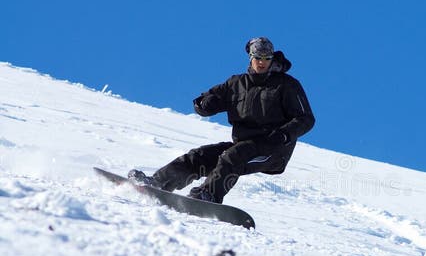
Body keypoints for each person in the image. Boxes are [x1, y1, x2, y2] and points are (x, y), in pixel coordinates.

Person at [129, 37, 315, 204]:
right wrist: (204, 104)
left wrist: (283, 135)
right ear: (250, 57)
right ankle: (158, 183)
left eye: (267, 59)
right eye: (258, 58)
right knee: (201, 155)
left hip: (273, 150)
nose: (262, 63)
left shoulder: (286, 84)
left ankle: (208, 195)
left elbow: (306, 118)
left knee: (232, 156)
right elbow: (207, 100)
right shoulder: (236, 84)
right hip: (243, 144)